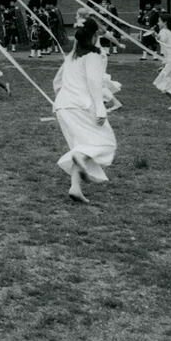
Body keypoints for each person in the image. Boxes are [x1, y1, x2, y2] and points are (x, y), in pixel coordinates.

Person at [52, 19, 117, 203]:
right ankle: (79, 158)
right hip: (81, 104)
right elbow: (94, 83)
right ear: (95, 35)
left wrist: (61, 99)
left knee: (81, 145)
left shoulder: (71, 57)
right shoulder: (94, 55)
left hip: (63, 105)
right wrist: (101, 109)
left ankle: (75, 188)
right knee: (106, 142)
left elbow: (56, 82)